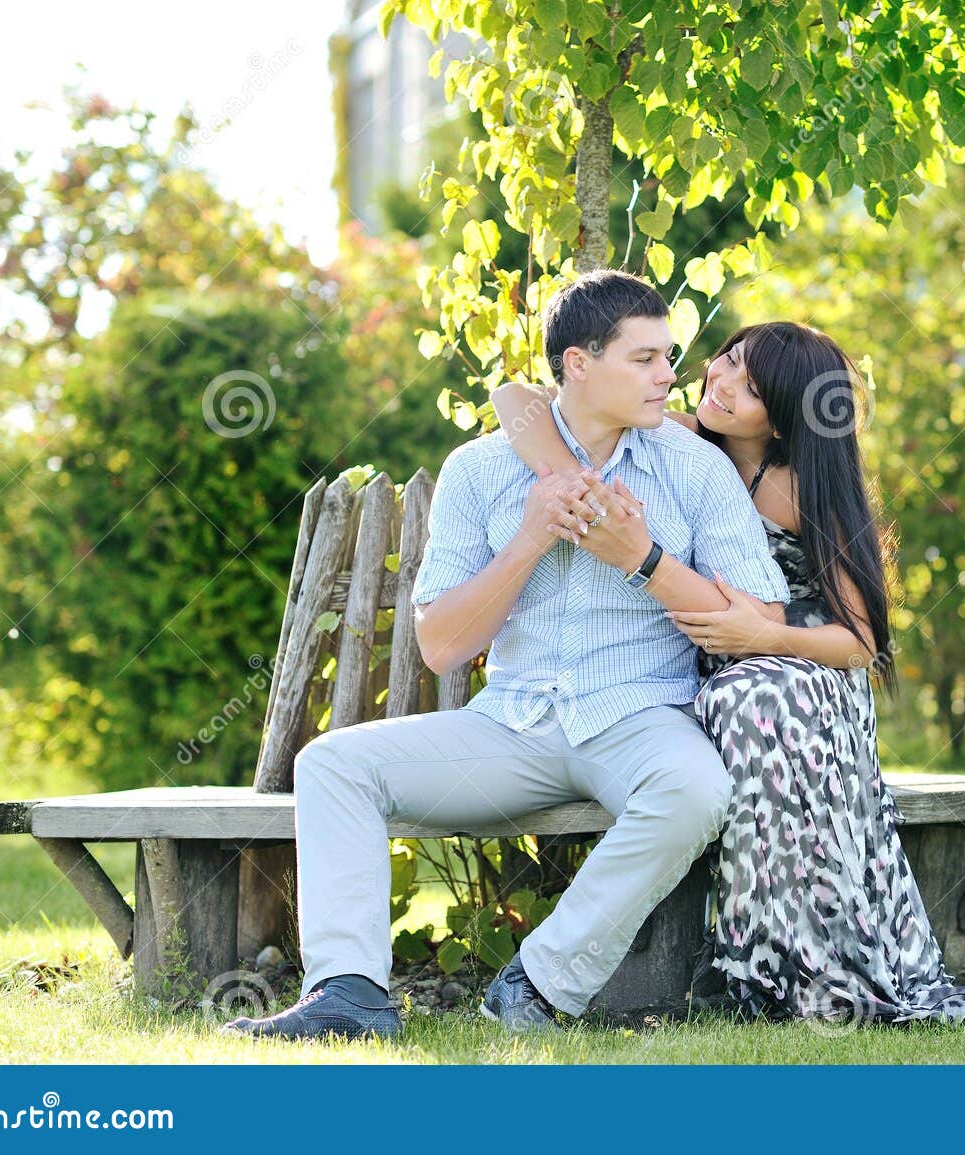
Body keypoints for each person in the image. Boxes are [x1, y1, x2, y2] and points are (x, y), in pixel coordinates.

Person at [221, 270, 790, 1040]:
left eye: (669, 356)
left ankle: (540, 983)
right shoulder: (480, 470)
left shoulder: (694, 469)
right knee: (332, 764)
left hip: (639, 716)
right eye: (645, 358)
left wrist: (642, 554)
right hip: (510, 726)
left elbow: (761, 614)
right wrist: (529, 538)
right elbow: (442, 643)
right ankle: (349, 996)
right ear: (579, 365)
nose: (669, 376)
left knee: (694, 787)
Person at [491, 320, 965, 1027]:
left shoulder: (804, 487)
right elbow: (511, 397)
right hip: (712, 678)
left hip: (807, 679)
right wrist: (576, 483)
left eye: (752, 387)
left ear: (788, 415)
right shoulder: (679, 441)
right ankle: (758, 958)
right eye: (727, 361)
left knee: (752, 694)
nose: (721, 384)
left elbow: (860, 639)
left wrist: (764, 632)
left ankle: (798, 963)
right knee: (735, 696)